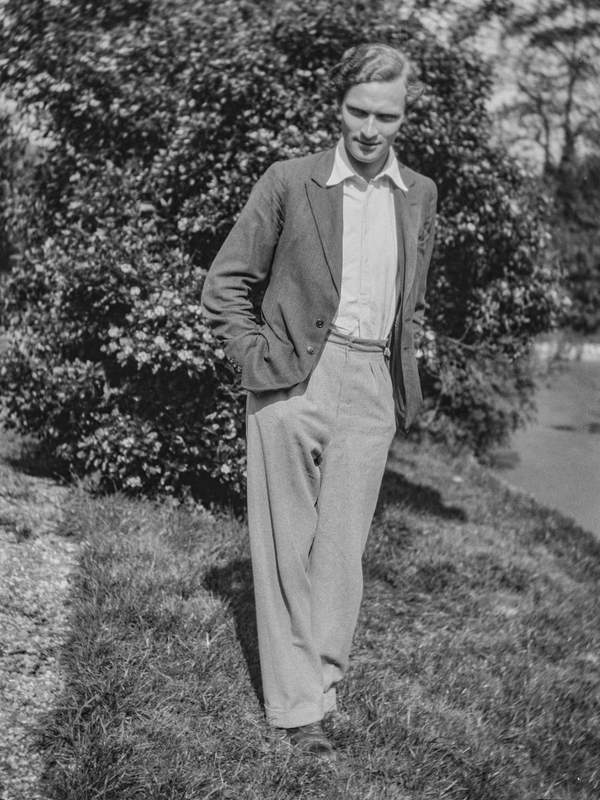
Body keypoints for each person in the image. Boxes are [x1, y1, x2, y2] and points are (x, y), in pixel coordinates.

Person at [200, 42, 437, 762]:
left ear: (404, 116)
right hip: (292, 376)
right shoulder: (290, 181)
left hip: (370, 385)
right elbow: (226, 285)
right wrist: (258, 360)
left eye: (386, 116)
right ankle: (297, 708)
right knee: (284, 546)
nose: (370, 130)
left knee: (340, 551)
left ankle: (322, 689)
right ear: (337, 107)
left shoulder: (419, 194)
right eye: (358, 112)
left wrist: (405, 380)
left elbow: (413, 301)